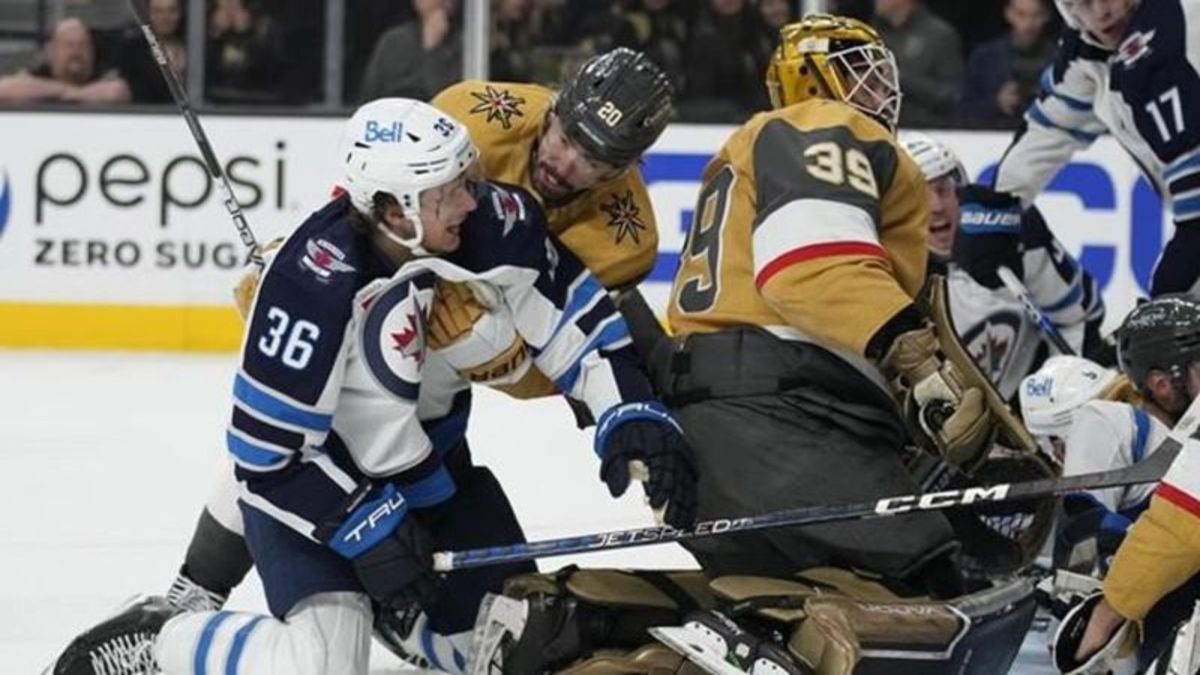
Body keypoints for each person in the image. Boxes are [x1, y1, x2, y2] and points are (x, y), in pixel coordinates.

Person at [47, 97, 698, 675]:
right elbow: (264, 459)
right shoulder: (310, 287)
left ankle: (404, 619)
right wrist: (368, 529)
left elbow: (577, 324)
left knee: (520, 638)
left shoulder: (491, 221)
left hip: (431, 473)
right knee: (324, 663)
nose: (473, 198)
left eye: (466, 179)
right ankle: (164, 638)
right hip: (320, 494)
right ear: (395, 209)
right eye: (451, 190)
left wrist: (629, 409)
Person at [988, 0, 1200, 296]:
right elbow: (1050, 129)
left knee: (1170, 315)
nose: (1101, 11)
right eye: (1084, 2)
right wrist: (995, 209)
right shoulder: (1089, 50)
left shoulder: (1179, 22)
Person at [899, 132, 1109, 400]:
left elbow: (1077, 317)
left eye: (943, 189)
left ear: (961, 189)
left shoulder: (1008, 234)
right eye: (918, 196)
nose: (937, 206)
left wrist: (1058, 404)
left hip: (1029, 401)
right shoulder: (890, 270)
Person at [1056, 295, 1200, 672]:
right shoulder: (1113, 422)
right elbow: (1082, 534)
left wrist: (1102, 619)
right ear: (1163, 383)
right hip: (1154, 625)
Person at [1018, 355, 1164, 574]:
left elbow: (1083, 532)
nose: (1057, 457)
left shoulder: (1096, 423)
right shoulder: (1144, 423)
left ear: (1060, 439)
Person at [960, 0, 1056, 126]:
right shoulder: (986, 57)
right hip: (991, 134)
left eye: (1036, 15)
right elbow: (963, 108)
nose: (1028, 23)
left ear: (1046, 16)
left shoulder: (1059, 58)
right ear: (1008, 14)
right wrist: (996, 102)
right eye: (1021, 14)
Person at [0, 17, 130, 105]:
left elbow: (117, 91)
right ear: (51, 51)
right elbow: (4, 89)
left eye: (83, 45)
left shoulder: (101, 76)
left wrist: (67, 94)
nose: (77, 52)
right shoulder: (39, 74)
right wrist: (69, 92)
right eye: (69, 45)